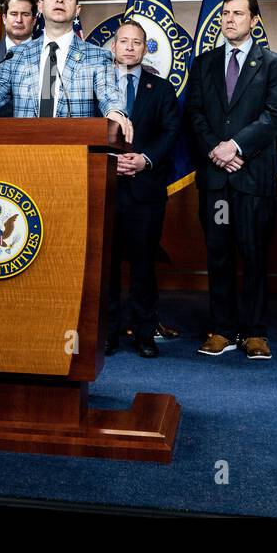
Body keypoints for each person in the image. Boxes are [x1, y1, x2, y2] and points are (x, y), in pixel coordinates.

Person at [186, 0, 277, 360]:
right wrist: (217, 148)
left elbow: (273, 115)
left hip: (251, 176)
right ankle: (222, 329)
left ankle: (255, 332)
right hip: (216, 178)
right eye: (225, 14)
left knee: (254, 253)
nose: (229, 20)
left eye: (238, 14)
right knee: (218, 253)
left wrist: (235, 147)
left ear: (254, 20)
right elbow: (194, 113)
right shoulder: (204, 63)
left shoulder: (274, 64)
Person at [0, 0, 132, 144]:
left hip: (73, 158)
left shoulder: (98, 56)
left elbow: (109, 94)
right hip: (25, 155)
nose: (59, 0)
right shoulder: (17, 55)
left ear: (77, 10)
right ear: (40, 6)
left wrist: (115, 112)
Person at [103, 19, 179, 359]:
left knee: (143, 266)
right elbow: (87, 127)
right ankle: (107, 334)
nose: (130, 47)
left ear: (145, 48)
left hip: (145, 191)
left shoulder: (160, 89)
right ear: (114, 46)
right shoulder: (96, 83)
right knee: (105, 266)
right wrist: (110, 160)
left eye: (137, 42)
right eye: (124, 41)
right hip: (104, 187)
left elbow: (170, 133)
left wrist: (144, 159)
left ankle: (145, 333)